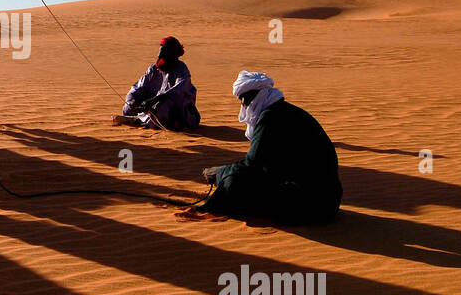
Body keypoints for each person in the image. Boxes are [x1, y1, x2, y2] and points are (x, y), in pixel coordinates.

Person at [196, 71, 341, 223]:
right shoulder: (283, 110)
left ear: (253, 97)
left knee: (234, 182)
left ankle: (211, 209)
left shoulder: (270, 117)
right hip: (328, 201)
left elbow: (251, 165)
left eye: (243, 100)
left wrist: (219, 173)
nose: (243, 105)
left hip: (312, 206)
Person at [113, 36, 201, 131]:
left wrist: (155, 99)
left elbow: (180, 89)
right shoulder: (154, 68)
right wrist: (134, 99)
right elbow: (140, 86)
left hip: (177, 108)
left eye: (165, 51)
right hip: (150, 104)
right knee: (129, 105)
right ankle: (142, 119)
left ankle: (143, 121)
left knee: (161, 106)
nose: (160, 55)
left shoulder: (181, 68)